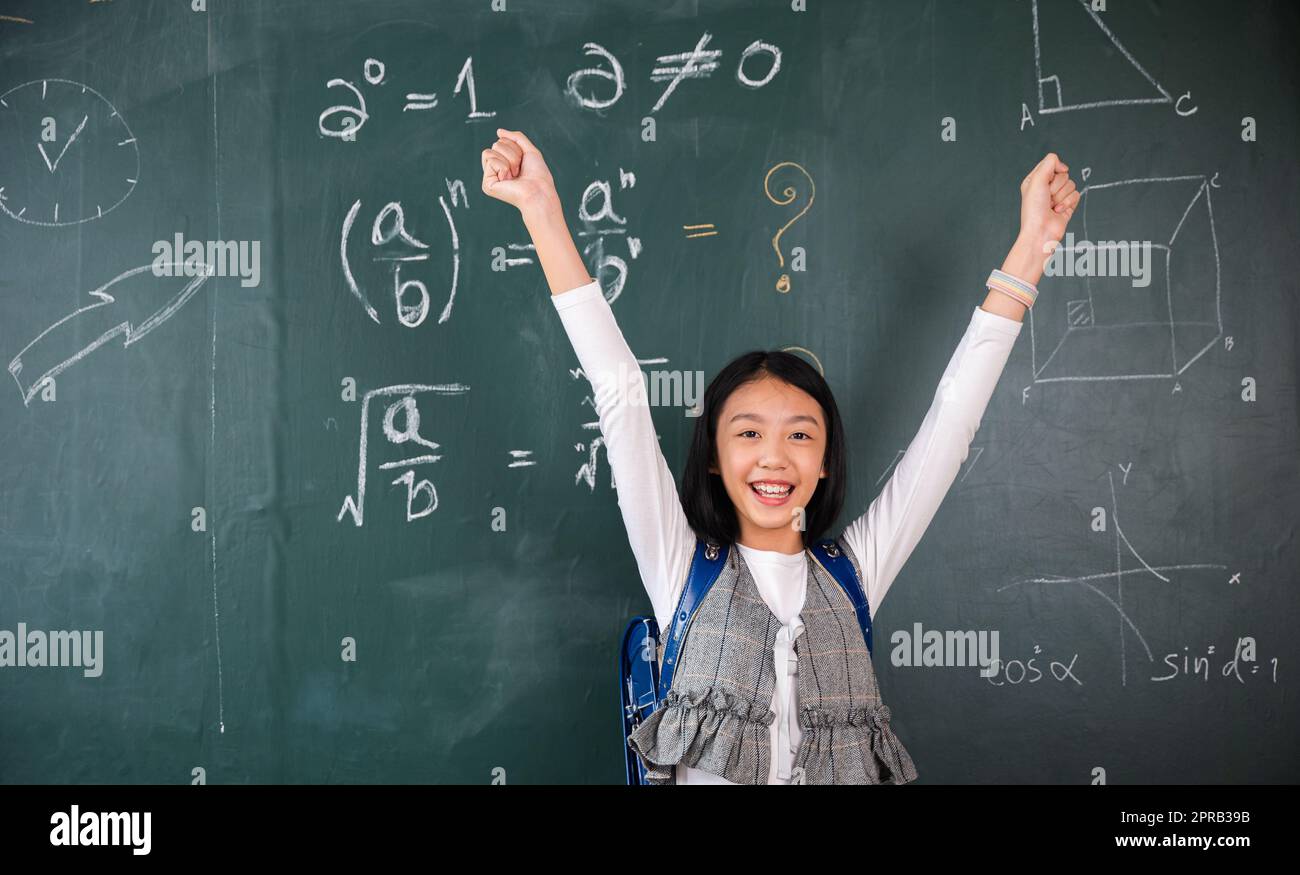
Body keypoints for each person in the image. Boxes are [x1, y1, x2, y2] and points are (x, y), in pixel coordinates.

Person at [482, 128, 1080, 784]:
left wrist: (1033, 247)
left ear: (825, 461)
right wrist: (541, 211)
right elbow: (619, 392)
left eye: (800, 435)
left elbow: (952, 421)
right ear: (713, 456)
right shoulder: (681, 569)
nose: (773, 458)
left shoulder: (854, 574)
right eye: (747, 434)